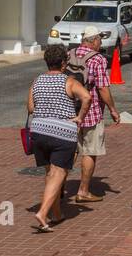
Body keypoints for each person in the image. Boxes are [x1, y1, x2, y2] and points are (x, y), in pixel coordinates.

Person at [27, 43, 92, 231]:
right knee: (60, 173)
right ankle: (43, 212)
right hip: (62, 132)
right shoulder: (69, 81)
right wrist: (79, 117)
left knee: (50, 173)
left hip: (39, 131)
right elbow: (86, 97)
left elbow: (31, 108)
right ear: (63, 63)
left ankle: (56, 214)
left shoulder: (37, 81)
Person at [72, 29, 121, 202]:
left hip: (70, 111)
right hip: (91, 113)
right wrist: (113, 109)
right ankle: (83, 191)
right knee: (89, 151)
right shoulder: (97, 59)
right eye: (99, 39)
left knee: (71, 150)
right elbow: (102, 88)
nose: (100, 43)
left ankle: (59, 185)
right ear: (92, 41)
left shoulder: (69, 54)